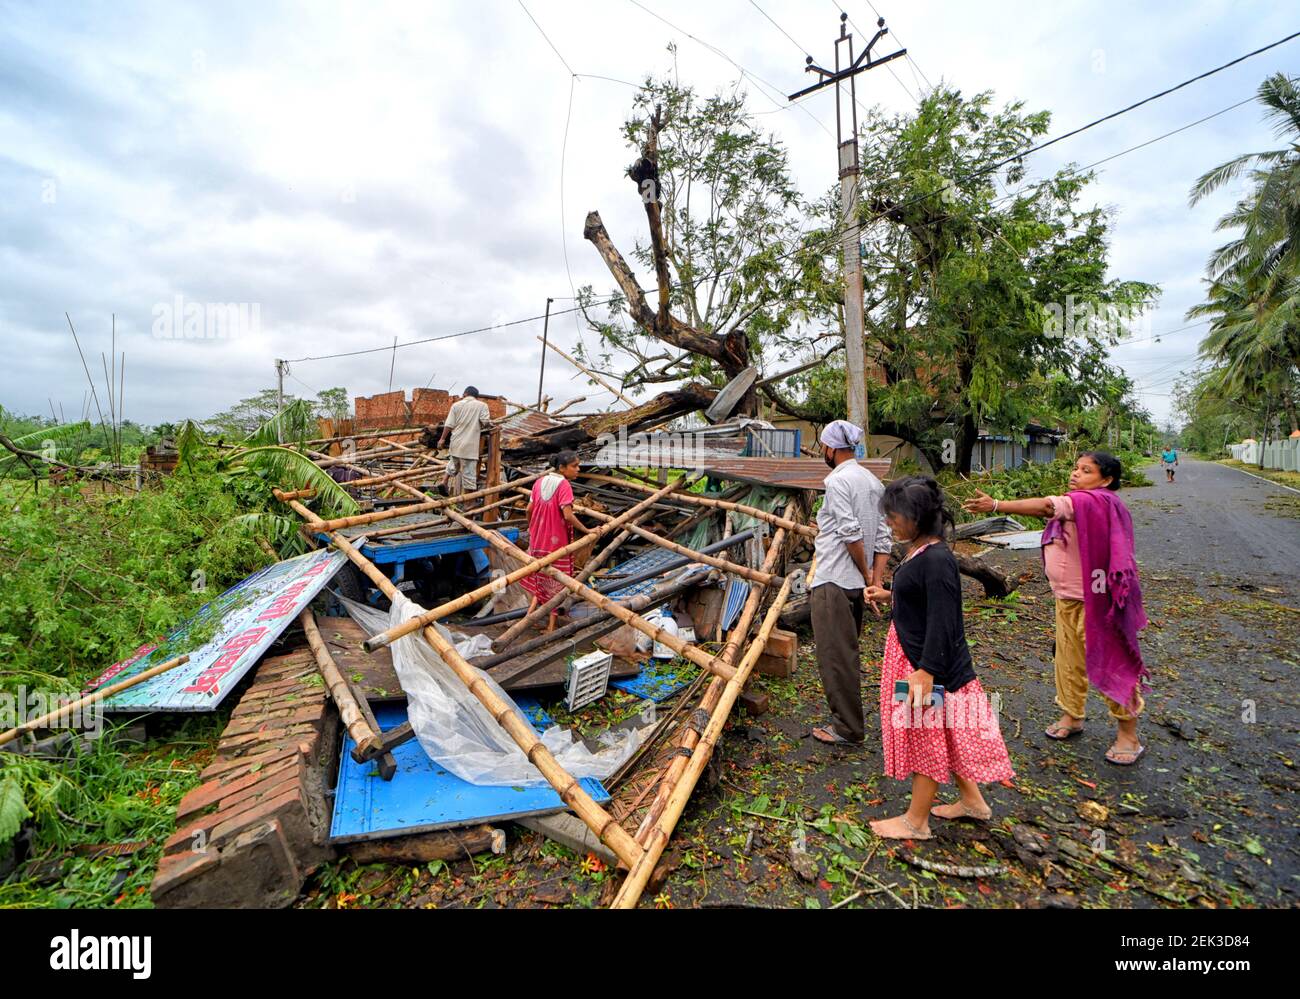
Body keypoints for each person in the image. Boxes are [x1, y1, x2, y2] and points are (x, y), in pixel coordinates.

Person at [963, 451, 1149, 765]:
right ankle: (1072, 715)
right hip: (1068, 599)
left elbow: (1047, 506)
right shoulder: (1081, 503)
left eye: (1086, 470)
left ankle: (1128, 735)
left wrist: (996, 506)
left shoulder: (1095, 502)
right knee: (1067, 660)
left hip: (1098, 602)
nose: (1075, 474)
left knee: (1112, 663)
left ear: (1106, 480)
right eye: (1075, 468)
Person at [863, 476, 1015, 840]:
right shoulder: (922, 550)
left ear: (916, 517)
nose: (889, 522)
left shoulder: (936, 560)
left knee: (925, 737)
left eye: (894, 516)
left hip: (929, 666)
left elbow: (944, 620)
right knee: (943, 733)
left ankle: (916, 822)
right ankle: (972, 802)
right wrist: (891, 597)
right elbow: (925, 601)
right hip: (920, 659)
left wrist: (926, 672)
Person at [810, 420, 893, 745]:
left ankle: (847, 728)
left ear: (831, 448)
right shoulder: (873, 482)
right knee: (847, 651)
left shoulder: (837, 482)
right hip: (855, 584)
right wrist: (874, 579)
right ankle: (849, 721)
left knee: (835, 655)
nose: (822, 452)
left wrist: (864, 573)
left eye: (823, 447)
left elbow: (850, 533)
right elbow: (883, 537)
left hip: (833, 580)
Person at [520, 450, 592, 631]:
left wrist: (532, 528)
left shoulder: (539, 482)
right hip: (556, 541)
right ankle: (551, 627)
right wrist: (586, 530)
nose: (578, 469)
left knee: (540, 576)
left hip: (538, 539)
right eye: (574, 466)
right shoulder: (564, 485)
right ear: (562, 468)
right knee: (556, 582)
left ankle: (529, 617)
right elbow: (567, 515)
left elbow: (529, 509)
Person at [438, 387, 491, 495]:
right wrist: (492, 425)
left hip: (456, 442)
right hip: (469, 445)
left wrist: (442, 439)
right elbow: (485, 422)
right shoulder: (482, 406)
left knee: (453, 463)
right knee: (469, 474)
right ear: (476, 396)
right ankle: (469, 502)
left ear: (465, 394)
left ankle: (444, 481)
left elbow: (448, 425)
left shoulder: (456, 405)